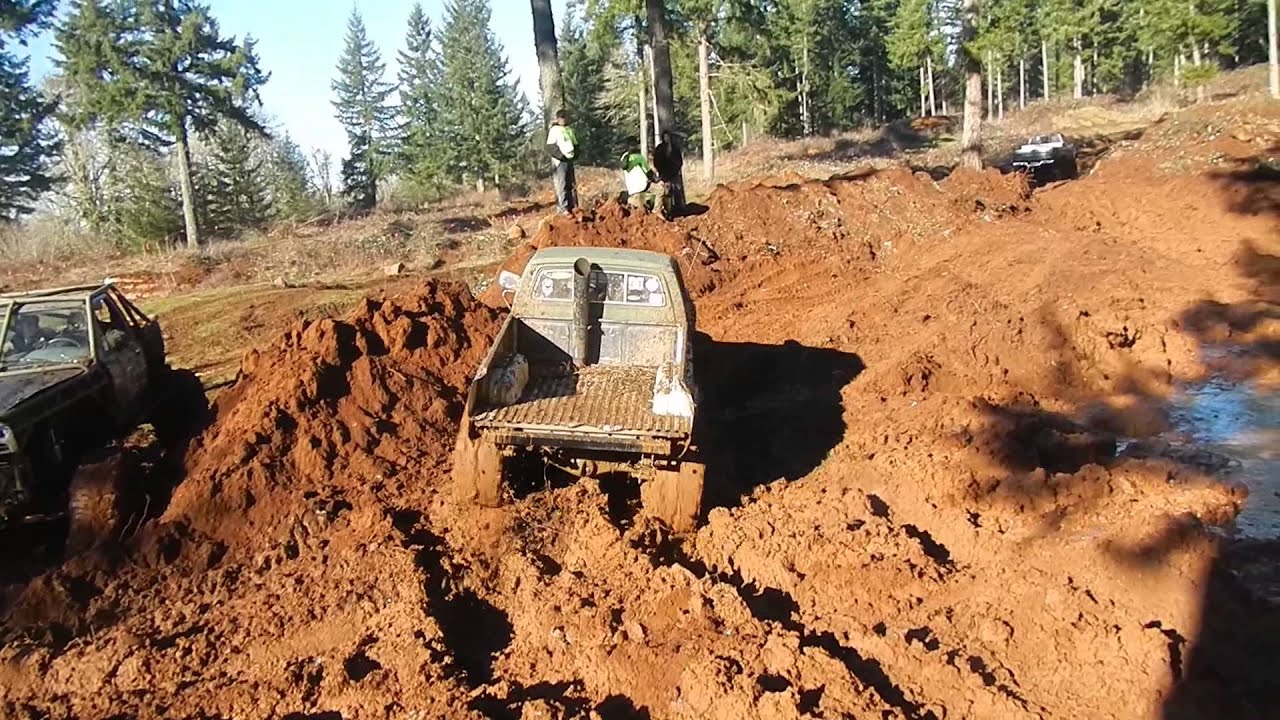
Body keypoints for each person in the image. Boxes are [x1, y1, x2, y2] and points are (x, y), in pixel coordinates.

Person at [545, 109, 578, 214]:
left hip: (569, 160)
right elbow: (550, 146)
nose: (563, 119)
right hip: (560, 161)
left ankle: (573, 205)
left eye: (565, 117)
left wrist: (576, 155)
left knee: (571, 184)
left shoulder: (569, 129)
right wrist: (560, 155)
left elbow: (576, 144)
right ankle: (564, 207)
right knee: (562, 184)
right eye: (561, 117)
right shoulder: (554, 130)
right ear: (558, 118)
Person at [651, 130, 685, 212]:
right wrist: (660, 171)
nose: (667, 139)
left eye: (668, 137)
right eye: (665, 137)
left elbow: (679, 161)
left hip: (674, 173)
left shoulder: (675, 148)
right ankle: (665, 209)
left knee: (677, 191)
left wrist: (676, 168)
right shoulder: (660, 148)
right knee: (665, 192)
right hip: (664, 174)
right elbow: (656, 161)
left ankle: (679, 208)